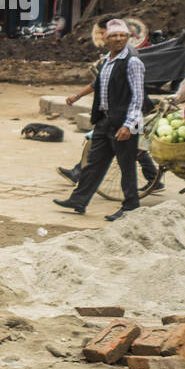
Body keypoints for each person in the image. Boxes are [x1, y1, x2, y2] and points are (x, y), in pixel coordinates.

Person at [55, 18, 146, 221]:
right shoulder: (107, 60)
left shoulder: (132, 61)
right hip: (104, 120)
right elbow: (98, 85)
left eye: (122, 35)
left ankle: (131, 206)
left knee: (126, 166)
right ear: (106, 38)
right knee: (94, 163)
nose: (118, 39)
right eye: (114, 36)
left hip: (123, 123)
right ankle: (78, 200)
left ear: (128, 37)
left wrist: (129, 125)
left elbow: (138, 97)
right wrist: (78, 96)